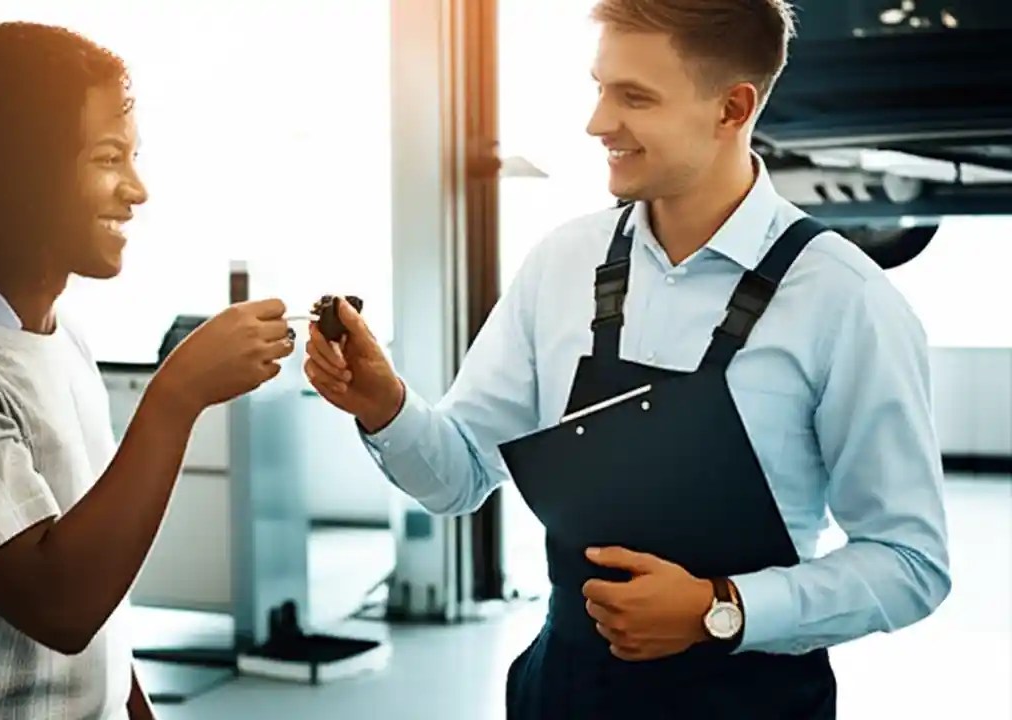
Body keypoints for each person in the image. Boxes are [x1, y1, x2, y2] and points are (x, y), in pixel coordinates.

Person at [304, 0, 950, 717]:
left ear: (732, 108)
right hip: (562, 691)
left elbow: (910, 563)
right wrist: (386, 407)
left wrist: (720, 608)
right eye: (600, 88)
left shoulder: (846, 300)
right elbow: (458, 477)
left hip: (747, 700)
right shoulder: (562, 265)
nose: (597, 122)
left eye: (634, 97)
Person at [0, 22, 294, 719]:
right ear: (23, 169)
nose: (136, 190)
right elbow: (62, 604)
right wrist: (177, 394)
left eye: (133, 157)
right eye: (110, 158)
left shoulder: (60, 336)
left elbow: (99, 607)